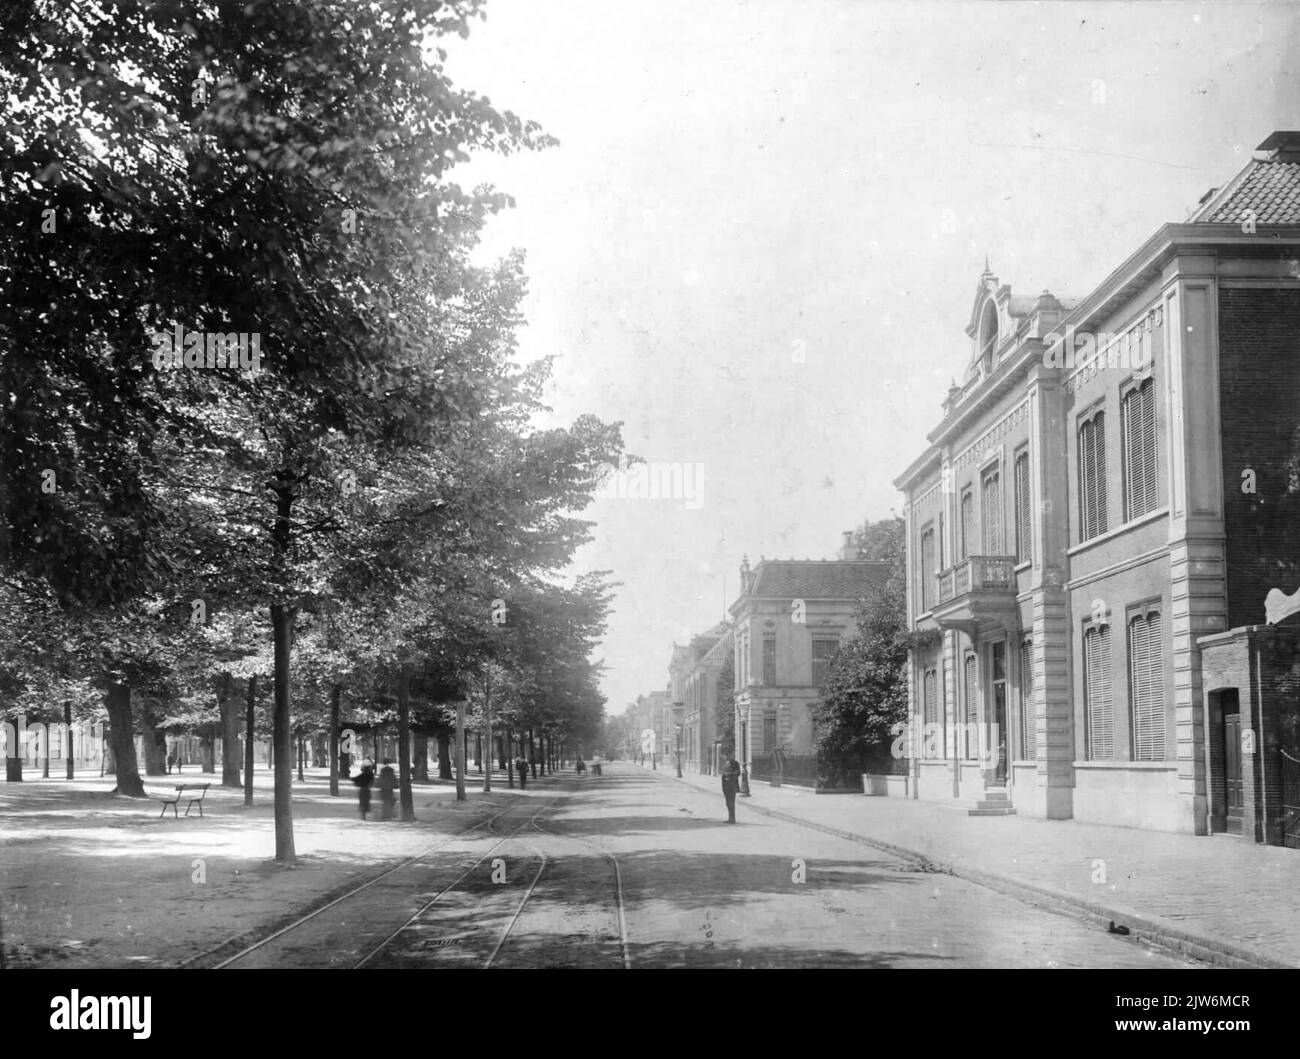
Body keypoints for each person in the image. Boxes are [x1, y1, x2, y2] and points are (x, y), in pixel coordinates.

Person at [721, 758, 741, 823]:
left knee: (731, 802)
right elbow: (723, 773)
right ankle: (730, 818)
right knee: (727, 803)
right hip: (725, 785)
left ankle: (732, 819)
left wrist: (729, 775)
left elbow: (738, 773)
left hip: (732, 785)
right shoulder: (725, 762)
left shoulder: (735, 763)